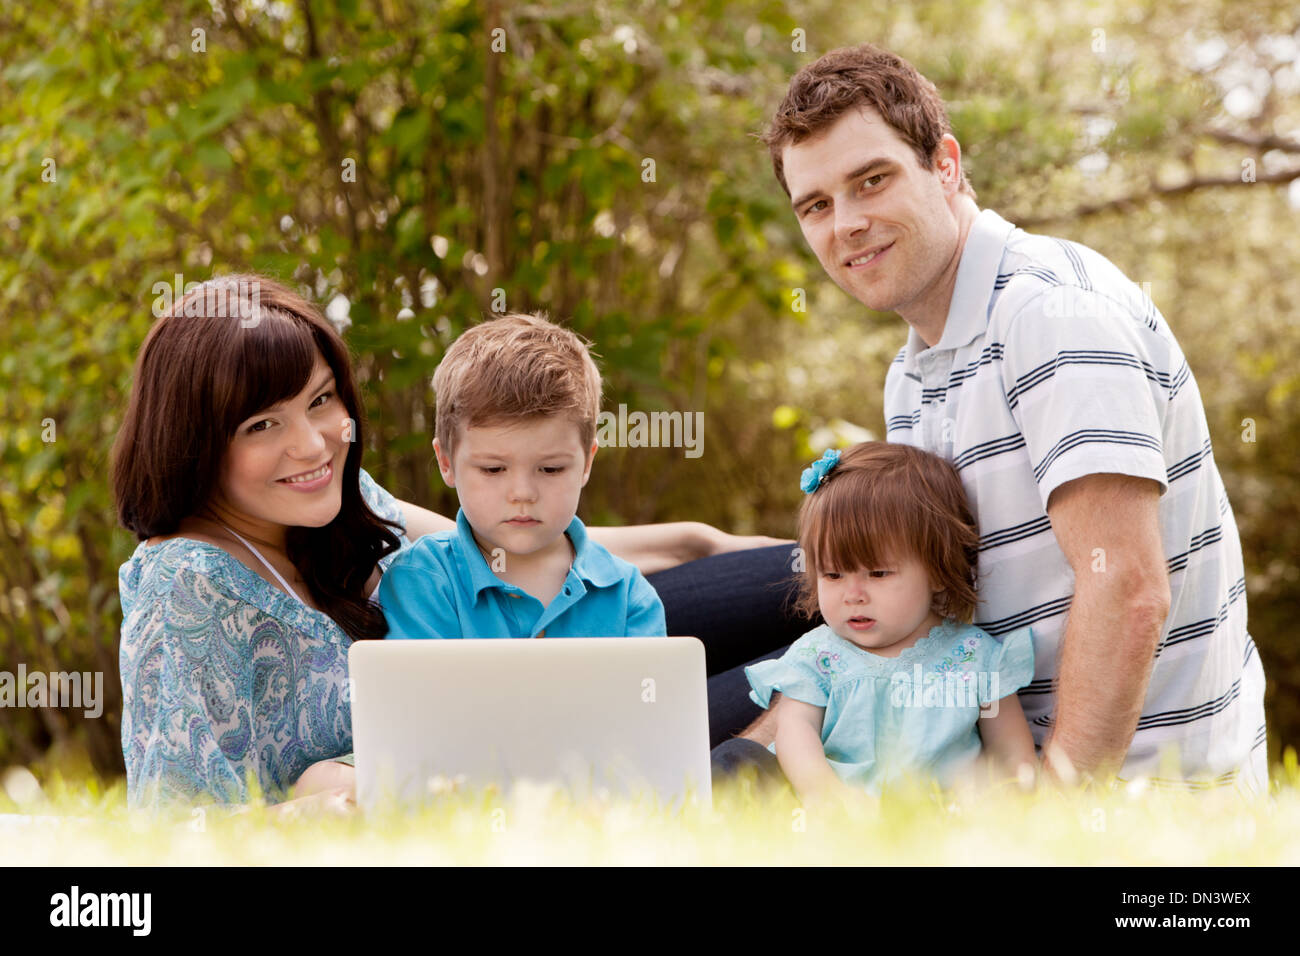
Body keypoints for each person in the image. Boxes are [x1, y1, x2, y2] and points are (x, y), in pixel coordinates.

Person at [721, 43, 1267, 795]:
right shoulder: (912, 375)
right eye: (815, 205)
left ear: (944, 165)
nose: (845, 224)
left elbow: (1129, 587)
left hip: (1136, 797)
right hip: (977, 786)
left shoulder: (1053, 313)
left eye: (870, 180)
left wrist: (1049, 818)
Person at [112, 276, 772, 810]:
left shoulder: (341, 499)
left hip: (548, 696)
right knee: (813, 659)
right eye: (262, 424)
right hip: (469, 779)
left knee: (830, 590)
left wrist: (701, 542)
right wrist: (297, 816)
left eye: (320, 402)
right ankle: (763, 758)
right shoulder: (186, 587)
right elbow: (173, 829)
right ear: (195, 439)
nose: (312, 445)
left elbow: (521, 544)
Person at [744, 443, 1036, 804]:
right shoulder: (819, 656)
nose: (853, 594)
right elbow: (794, 731)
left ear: (938, 570)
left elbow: (1011, 753)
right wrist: (829, 798)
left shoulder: (974, 658)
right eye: (833, 574)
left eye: (878, 573)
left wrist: (1014, 806)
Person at [377, 312, 666, 640]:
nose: (523, 493)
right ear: (445, 461)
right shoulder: (424, 581)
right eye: (493, 469)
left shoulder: (629, 598)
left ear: (587, 463)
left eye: (551, 469)